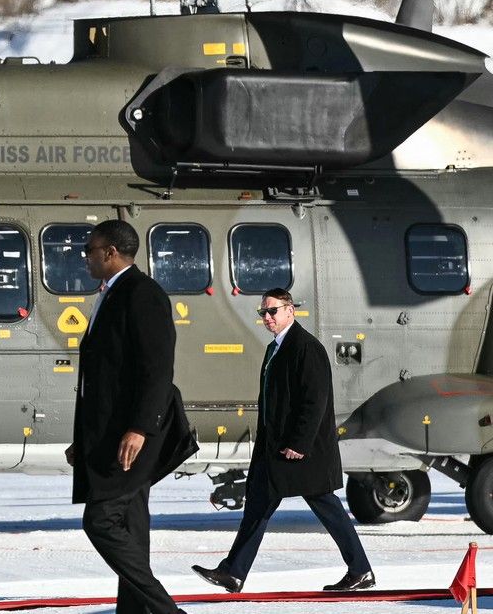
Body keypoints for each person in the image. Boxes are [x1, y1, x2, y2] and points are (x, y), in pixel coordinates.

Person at [191, 288, 374, 593]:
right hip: (276, 448)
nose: (267, 318)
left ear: (291, 310)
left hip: (302, 450)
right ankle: (233, 573)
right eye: (263, 313)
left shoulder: (306, 347)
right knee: (258, 506)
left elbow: (314, 401)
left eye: (273, 311)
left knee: (325, 504)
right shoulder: (276, 347)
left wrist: (299, 443)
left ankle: (360, 570)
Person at [65, 219, 198, 614]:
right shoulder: (111, 293)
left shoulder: (142, 294)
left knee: (102, 520)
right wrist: (84, 438)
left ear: (111, 252)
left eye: (90, 249)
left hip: (134, 434)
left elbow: (157, 369)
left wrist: (141, 427)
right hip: (111, 433)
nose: (85, 257)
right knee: (132, 527)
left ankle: (165, 610)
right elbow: (104, 375)